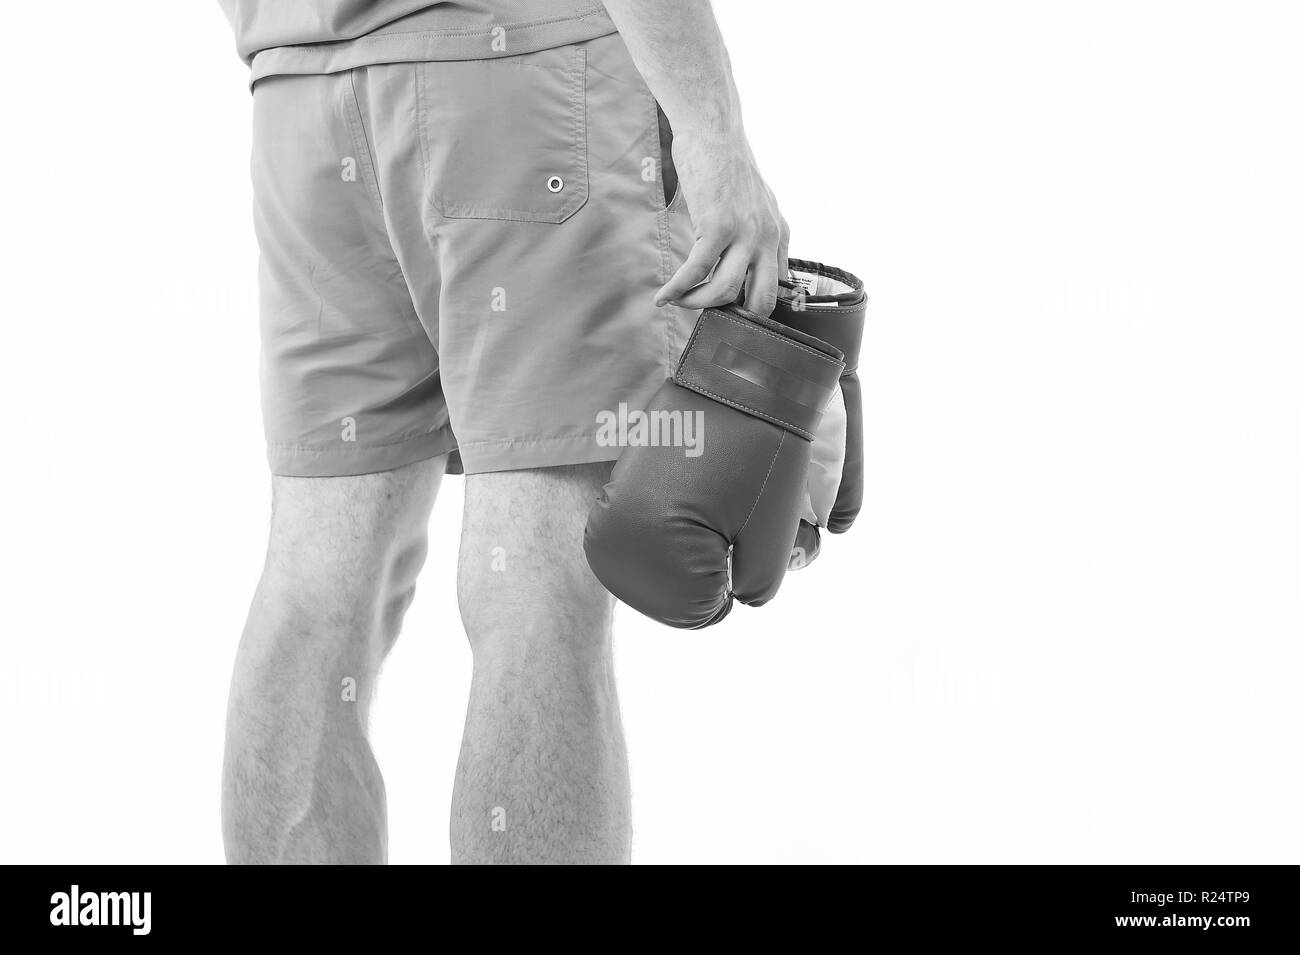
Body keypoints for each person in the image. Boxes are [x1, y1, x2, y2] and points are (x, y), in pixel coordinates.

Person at [219, 0, 788, 864]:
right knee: (537, 586)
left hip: (305, 92)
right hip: (525, 79)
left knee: (314, 584)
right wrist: (714, 134)